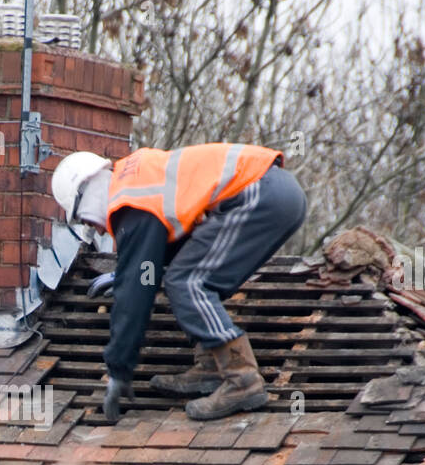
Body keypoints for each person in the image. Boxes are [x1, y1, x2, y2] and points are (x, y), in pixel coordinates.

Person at [50, 143, 307, 422]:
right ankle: (210, 365)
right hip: (272, 192)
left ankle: (243, 379)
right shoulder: (135, 181)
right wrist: (126, 275)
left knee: (188, 281)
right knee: (188, 274)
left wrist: (118, 370)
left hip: (262, 194)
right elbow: (152, 266)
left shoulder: (131, 202)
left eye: (86, 219)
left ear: (89, 192)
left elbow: (138, 290)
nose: (96, 228)